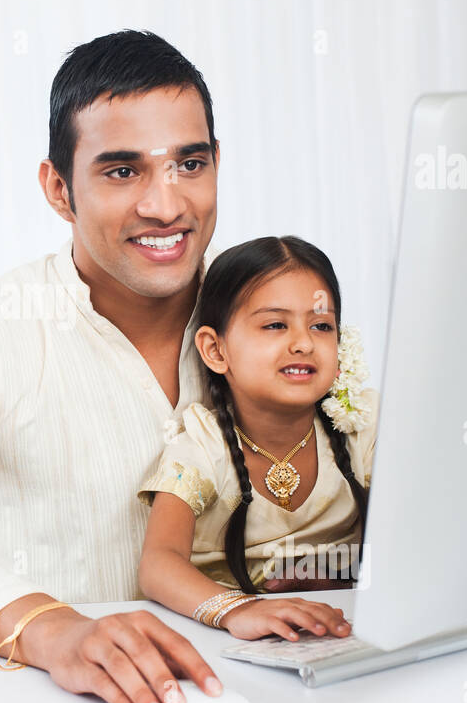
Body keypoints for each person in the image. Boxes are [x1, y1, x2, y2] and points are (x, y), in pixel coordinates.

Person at [0, 30, 230, 703]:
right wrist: (56, 631)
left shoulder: (276, 322)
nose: (166, 204)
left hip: (255, 699)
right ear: (58, 189)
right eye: (123, 171)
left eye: (189, 163)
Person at [137, 236, 376, 639]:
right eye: (275, 325)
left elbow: (422, 536)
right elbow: (158, 566)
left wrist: (345, 578)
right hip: (222, 640)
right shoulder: (203, 445)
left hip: (339, 630)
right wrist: (238, 611)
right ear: (215, 350)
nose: (303, 343)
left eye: (321, 325)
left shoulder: (361, 427)